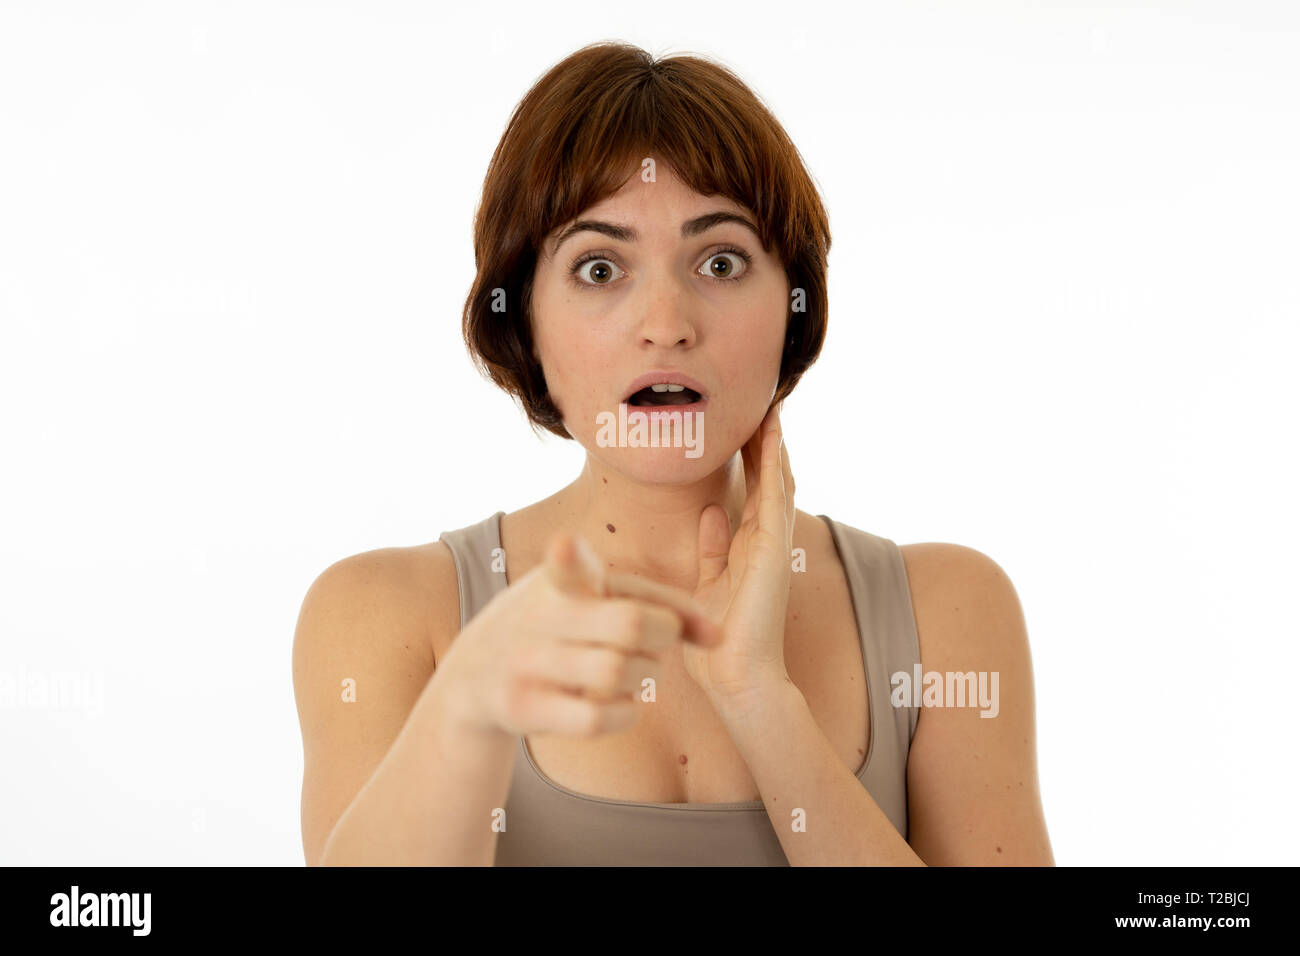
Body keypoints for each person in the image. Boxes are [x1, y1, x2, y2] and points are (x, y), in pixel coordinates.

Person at [292, 41, 1054, 866]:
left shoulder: (947, 612)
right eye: (599, 267)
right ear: (526, 322)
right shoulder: (384, 617)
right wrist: (467, 706)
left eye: (721, 261)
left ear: (793, 306)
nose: (666, 321)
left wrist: (759, 697)